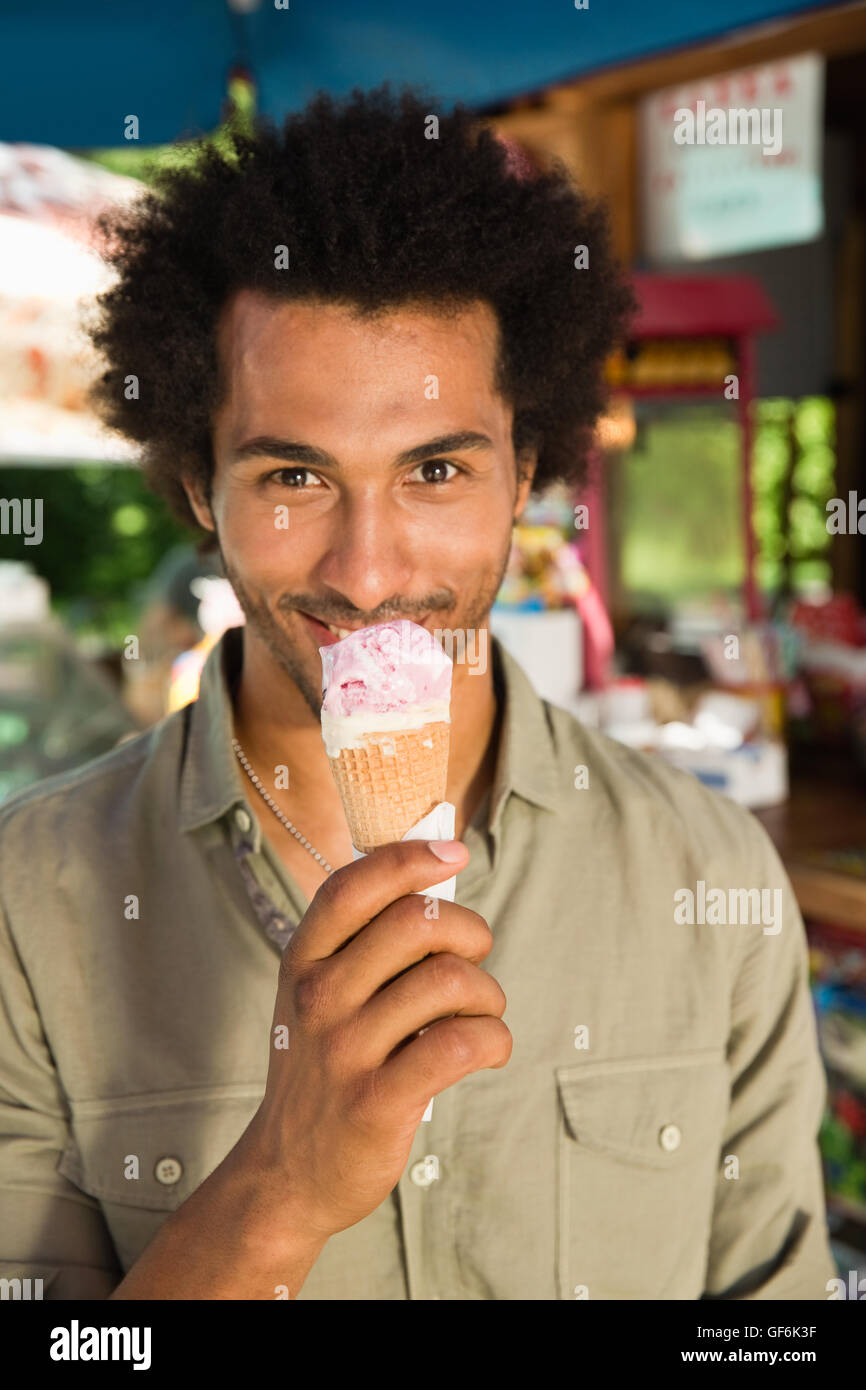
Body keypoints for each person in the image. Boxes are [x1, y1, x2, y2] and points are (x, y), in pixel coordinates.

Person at [0, 84, 834, 1300]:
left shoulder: (709, 877)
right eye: (294, 473)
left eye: (435, 467)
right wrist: (273, 1193)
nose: (368, 571)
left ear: (528, 470)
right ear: (195, 486)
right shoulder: (31, 905)